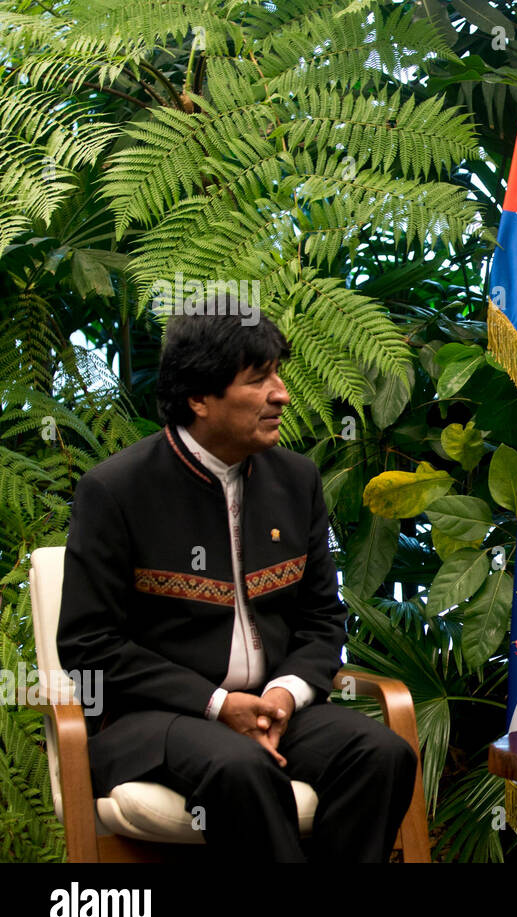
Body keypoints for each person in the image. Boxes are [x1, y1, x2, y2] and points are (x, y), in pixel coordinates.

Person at [57, 295, 417, 861]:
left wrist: (283, 695)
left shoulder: (296, 480)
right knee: (241, 769)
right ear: (199, 396)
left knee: (381, 753)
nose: (281, 394)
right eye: (258, 380)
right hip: (154, 723)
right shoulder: (117, 491)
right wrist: (218, 705)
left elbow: (323, 618)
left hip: (277, 711)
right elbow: (88, 647)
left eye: (277, 373)